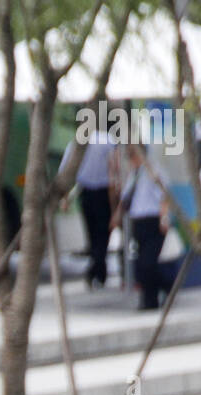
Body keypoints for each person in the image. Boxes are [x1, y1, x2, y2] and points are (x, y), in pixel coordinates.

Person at [111, 144, 175, 310]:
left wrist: (164, 218)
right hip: (138, 221)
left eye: (133, 155)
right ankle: (149, 300)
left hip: (153, 219)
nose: (131, 160)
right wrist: (117, 215)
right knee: (141, 265)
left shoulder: (154, 171)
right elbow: (126, 197)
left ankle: (168, 285)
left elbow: (164, 196)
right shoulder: (134, 174)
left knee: (148, 262)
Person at [61, 129, 120, 288]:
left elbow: (65, 169)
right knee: (103, 233)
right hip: (105, 191)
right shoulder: (108, 140)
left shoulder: (77, 142)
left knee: (92, 232)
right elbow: (115, 166)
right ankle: (98, 269)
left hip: (85, 191)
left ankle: (97, 268)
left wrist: (65, 197)